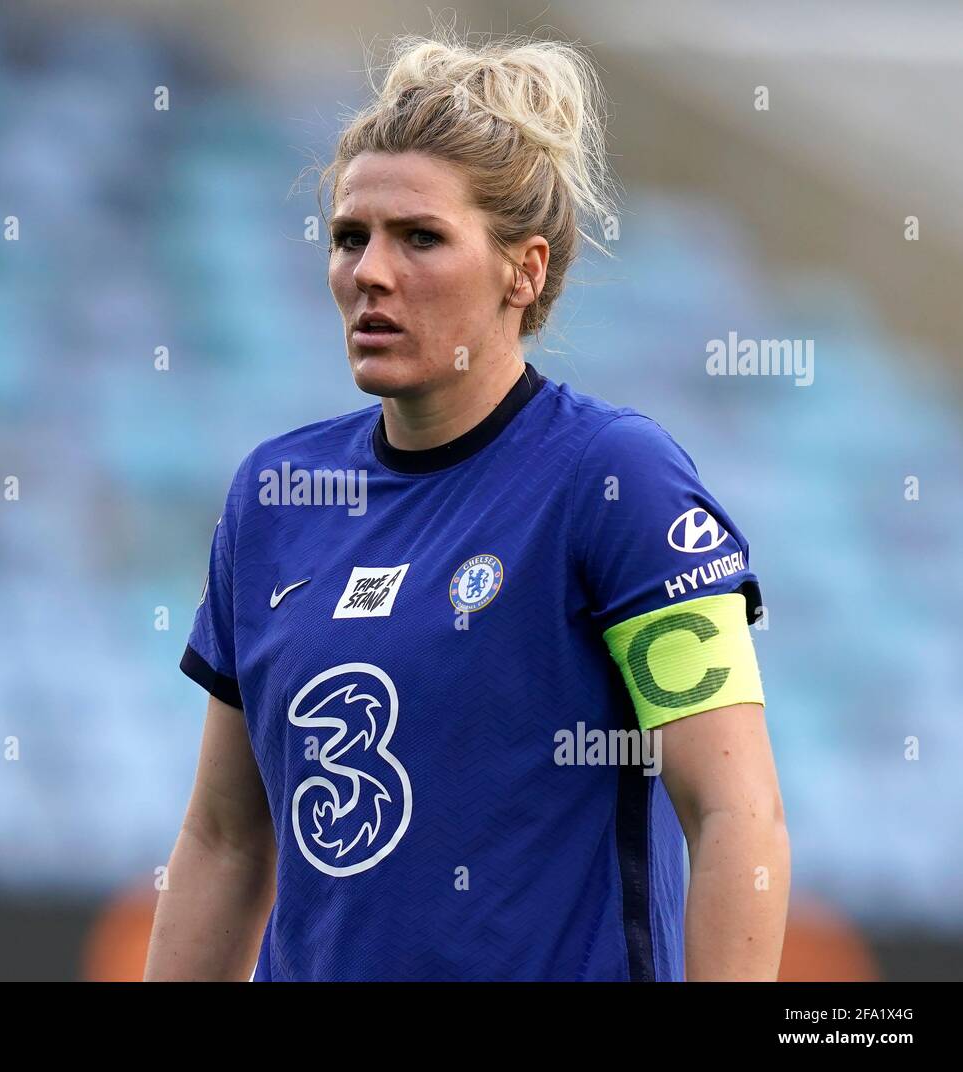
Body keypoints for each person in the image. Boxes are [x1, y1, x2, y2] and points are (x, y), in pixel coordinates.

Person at [145, 30, 789, 982]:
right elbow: (225, 840)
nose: (369, 271)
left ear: (523, 272)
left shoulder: (617, 480)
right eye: (349, 236)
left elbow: (736, 813)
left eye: (420, 238)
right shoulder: (274, 498)